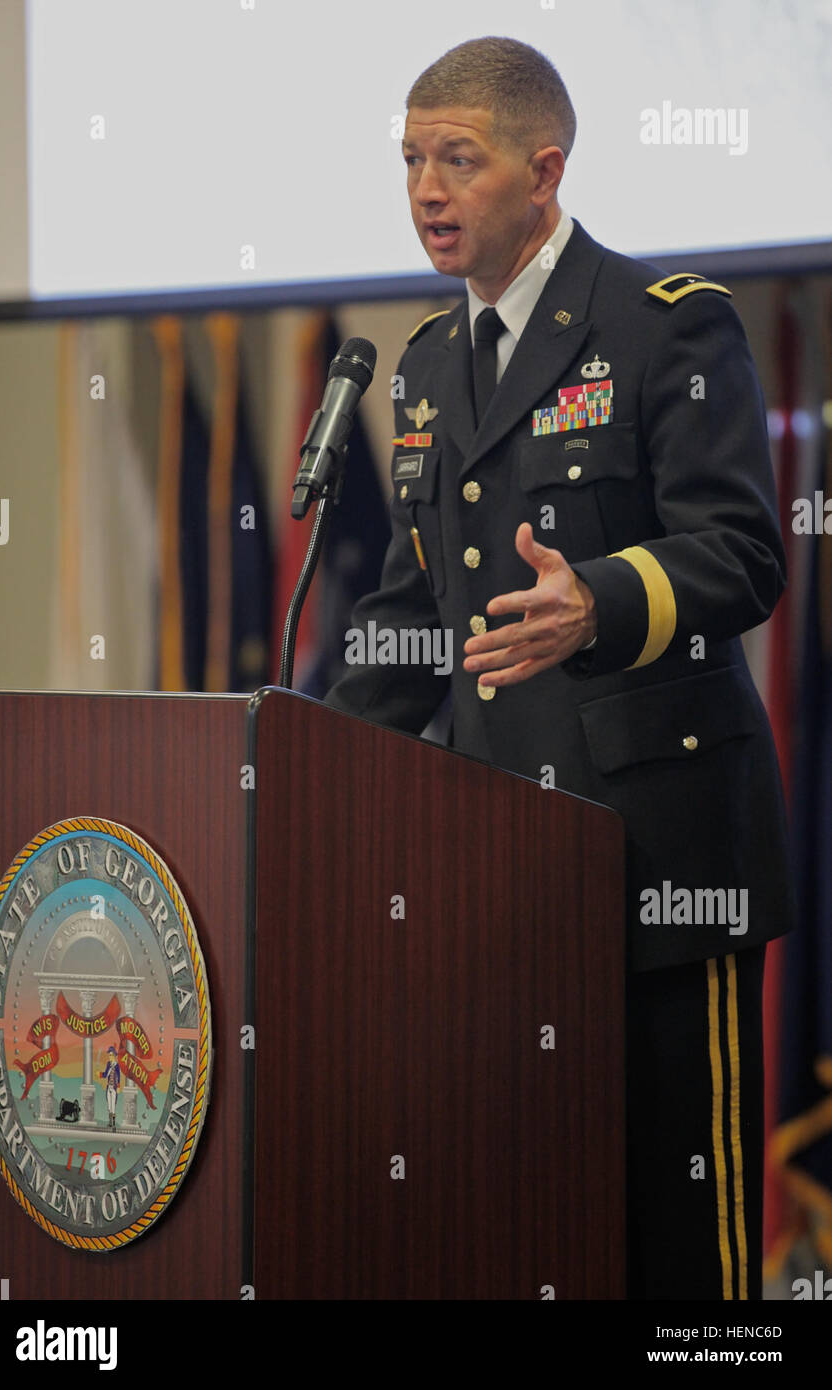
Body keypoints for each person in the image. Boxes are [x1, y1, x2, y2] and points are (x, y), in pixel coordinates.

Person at [322, 36, 794, 1300]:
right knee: (541, 1222)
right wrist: (289, 747)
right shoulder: (424, 363)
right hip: (502, 873)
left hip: (658, 857)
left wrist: (599, 599)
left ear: (543, 171)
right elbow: (420, 605)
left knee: (681, 1248)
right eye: (411, 157)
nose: (425, 186)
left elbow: (744, 554)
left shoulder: (665, 326)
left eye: (456, 159)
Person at [99, 1045, 121, 1131]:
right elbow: (105, 1075)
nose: (109, 1056)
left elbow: (118, 1076)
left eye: (111, 1055)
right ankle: (110, 1122)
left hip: (114, 1088)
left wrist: (118, 1086)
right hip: (108, 1087)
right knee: (109, 1106)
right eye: (109, 1055)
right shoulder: (108, 1064)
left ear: (114, 1056)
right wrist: (100, 1074)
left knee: (113, 1106)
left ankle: (114, 1124)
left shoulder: (117, 1065)